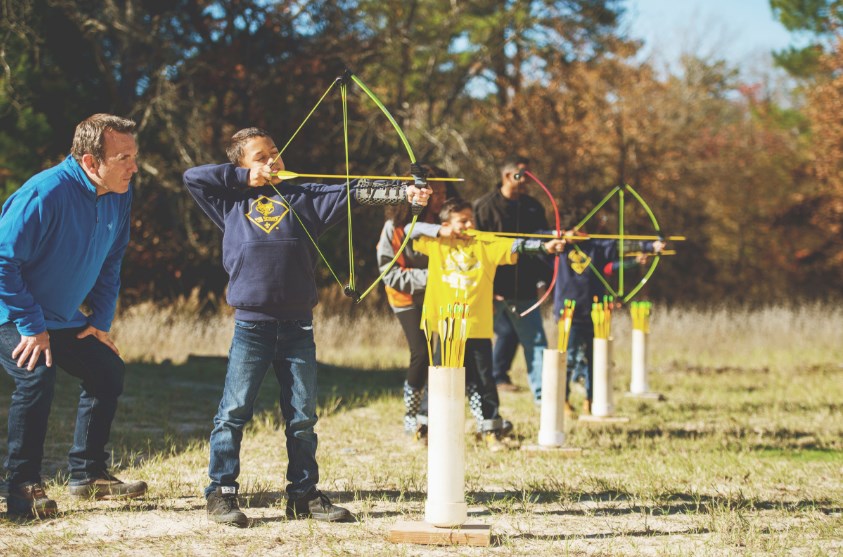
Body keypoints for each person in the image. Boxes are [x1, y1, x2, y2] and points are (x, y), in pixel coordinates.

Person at [183, 127, 431, 526]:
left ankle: (303, 493)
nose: (271, 161)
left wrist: (405, 192)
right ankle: (221, 492)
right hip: (252, 325)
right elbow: (192, 177)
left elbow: (354, 190)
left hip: (298, 325)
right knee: (233, 412)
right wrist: (245, 179)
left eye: (275, 153)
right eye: (260, 156)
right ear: (241, 165)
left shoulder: (304, 196)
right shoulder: (228, 200)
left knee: (302, 416)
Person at [0, 114, 148, 518]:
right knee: (36, 373)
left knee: (106, 370)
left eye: (134, 156)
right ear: (89, 161)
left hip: (60, 317)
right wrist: (32, 326)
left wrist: (99, 320)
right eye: (123, 158)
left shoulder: (119, 191)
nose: (133, 167)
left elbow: (111, 259)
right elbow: (2, 262)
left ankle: (88, 476)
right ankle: (21, 487)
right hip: (10, 311)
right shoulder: (44, 193)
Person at [412, 199, 564, 449]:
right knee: (440, 378)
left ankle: (491, 430)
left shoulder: (484, 242)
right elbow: (411, 231)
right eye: (463, 220)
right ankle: (427, 428)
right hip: (447, 327)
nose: (471, 224)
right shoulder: (436, 243)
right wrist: (439, 231)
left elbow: (517, 245)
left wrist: (545, 247)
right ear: (447, 224)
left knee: (484, 380)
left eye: (472, 219)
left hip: (478, 325)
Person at [376, 165, 457, 442]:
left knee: (443, 354)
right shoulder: (394, 228)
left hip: (440, 296)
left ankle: (430, 413)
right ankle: (412, 416)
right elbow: (389, 271)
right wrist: (432, 277)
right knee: (420, 352)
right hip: (406, 297)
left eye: (444, 192)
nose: (439, 197)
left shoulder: (445, 224)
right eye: (433, 191)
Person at [552, 223, 665, 416]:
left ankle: (591, 400)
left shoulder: (596, 247)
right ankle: (563, 401)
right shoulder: (559, 247)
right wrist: (556, 236)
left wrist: (650, 246)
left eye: (581, 230)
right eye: (573, 230)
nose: (577, 234)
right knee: (567, 360)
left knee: (595, 361)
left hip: (594, 311)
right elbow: (536, 239)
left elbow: (622, 247)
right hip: (568, 312)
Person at [472, 155, 553, 402]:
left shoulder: (532, 206)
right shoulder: (484, 206)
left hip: (525, 288)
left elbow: (542, 242)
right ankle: (477, 396)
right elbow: (476, 248)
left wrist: (541, 280)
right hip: (492, 289)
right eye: (523, 175)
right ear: (508, 176)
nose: (528, 180)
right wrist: (487, 285)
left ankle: (545, 400)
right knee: (476, 343)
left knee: (536, 344)